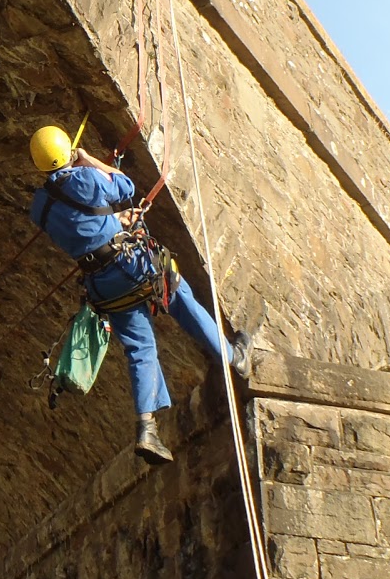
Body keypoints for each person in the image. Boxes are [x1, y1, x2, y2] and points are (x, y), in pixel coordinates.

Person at [27, 124, 251, 465]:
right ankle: (235, 358)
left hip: (101, 284)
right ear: (68, 151)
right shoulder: (84, 179)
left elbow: (84, 228)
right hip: (133, 265)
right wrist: (88, 160)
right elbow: (125, 185)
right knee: (182, 300)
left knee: (141, 348)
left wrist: (114, 222)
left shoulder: (39, 208)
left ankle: (147, 428)